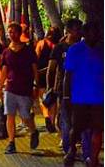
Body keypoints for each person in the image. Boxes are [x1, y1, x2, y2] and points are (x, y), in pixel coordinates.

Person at [47, 19, 90, 157]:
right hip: (64, 90)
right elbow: (51, 69)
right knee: (66, 121)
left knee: (83, 122)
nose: (79, 33)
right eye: (77, 29)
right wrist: (50, 87)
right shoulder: (60, 48)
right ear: (69, 30)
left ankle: (86, 152)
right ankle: (68, 149)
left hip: (83, 90)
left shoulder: (85, 48)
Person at [63, 22, 103, 166]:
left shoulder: (101, 50)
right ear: (84, 34)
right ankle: (71, 149)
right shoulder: (75, 50)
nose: (92, 36)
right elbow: (68, 74)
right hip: (79, 96)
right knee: (77, 128)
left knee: (98, 129)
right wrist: (66, 96)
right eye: (89, 33)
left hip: (99, 98)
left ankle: (93, 158)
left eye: (95, 32)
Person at [0, 22, 40, 154]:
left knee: (25, 116)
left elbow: (34, 69)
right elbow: (4, 70)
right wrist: (0, 87)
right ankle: (11, 143)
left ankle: (33, 131)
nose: (11, 34)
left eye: (14, 32)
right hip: (10, 88)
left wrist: (36, 85)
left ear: (19, 33)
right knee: (9, 116)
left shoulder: (28, 50)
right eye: (9, 32)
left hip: (25, 88)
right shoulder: (6, 52)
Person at [35, 26, 62, 133]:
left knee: (43, 98)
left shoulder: (41, 43)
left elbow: (35, 58)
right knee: (53, 99)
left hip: (41, 73)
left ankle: (46, 116)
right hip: (55, 75)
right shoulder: (58, 46)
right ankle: (52, 120)